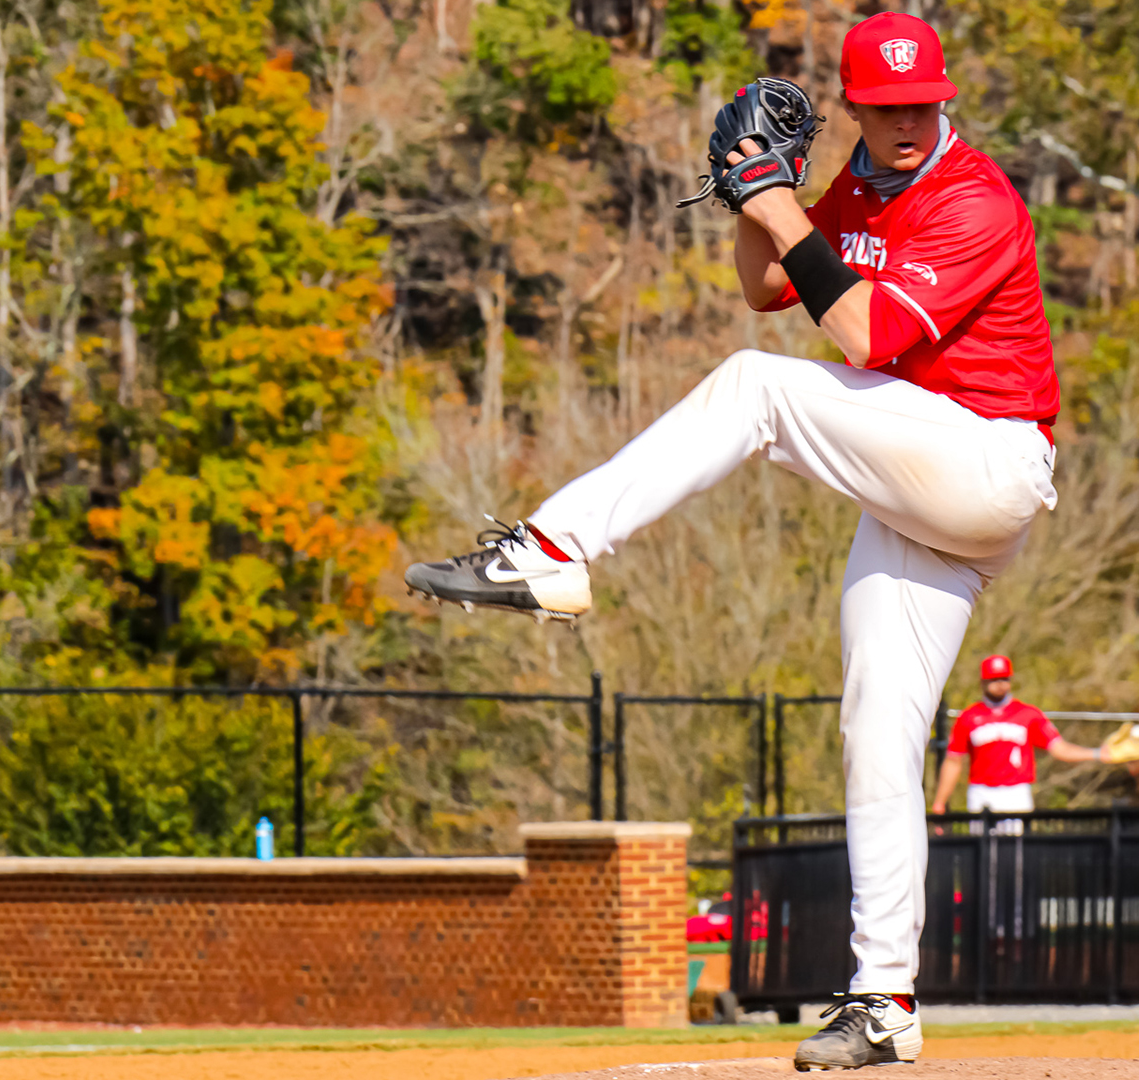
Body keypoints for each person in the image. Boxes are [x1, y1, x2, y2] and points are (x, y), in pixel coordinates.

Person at [401, 11, 1058, 1072]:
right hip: (914, 492)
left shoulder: (972, 195)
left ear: (945, 99)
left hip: (988, 466)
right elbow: (765, 287)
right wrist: (761, 200)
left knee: (757, 390)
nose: (905, 119)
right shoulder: (857, 183)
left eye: (921, 102)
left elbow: (868, 335)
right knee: (875, 733)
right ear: (859, 106)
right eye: (886, 106)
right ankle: (885, 1001)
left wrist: (781, 204)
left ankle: (554, 549)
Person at [929, 654, 1114, 829]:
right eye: (994, 679)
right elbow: (953, 761)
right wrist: (939, 802)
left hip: (1015, 792)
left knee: (1015, 852)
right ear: (983, 682)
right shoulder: (969, 717)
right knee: (983, 852)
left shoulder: (1028, 714)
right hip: (981, 792)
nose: (1000, 684)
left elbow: (1059, 748)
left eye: (1004, 679)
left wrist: (1097, 753)